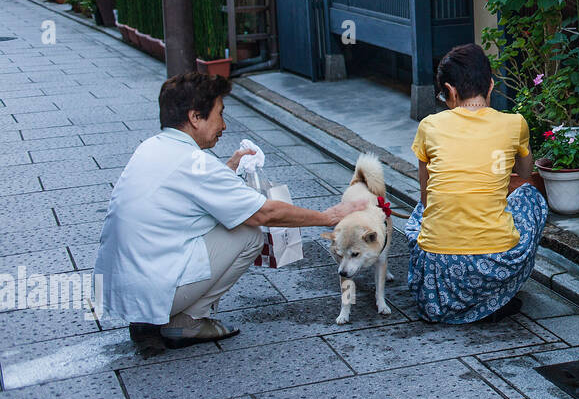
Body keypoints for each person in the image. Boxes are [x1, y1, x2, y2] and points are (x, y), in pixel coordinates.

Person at [94, 73, 367, 347]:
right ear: (195, 117)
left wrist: (229, 169)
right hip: (153, 288)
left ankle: (152, 319)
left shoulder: (152, 147)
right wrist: (328, 216)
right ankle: (185, 324)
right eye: (220, 114)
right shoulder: (194, 162)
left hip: (125, 287)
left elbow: (191, 195)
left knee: (229, 219)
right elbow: (263, 214)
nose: (223, 125)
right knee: (248, 234)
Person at [402, 43, 548, 323]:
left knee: (421, 213)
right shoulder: (515, 123)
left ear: (451, 91)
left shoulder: (429, 126)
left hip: (436, 273)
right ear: (490, 86)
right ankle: (495, 296)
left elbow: (425, 197)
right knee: (531, 197)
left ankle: (452, 300)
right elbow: (526, 174)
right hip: (493, 266)